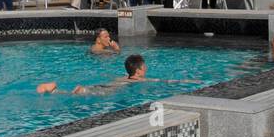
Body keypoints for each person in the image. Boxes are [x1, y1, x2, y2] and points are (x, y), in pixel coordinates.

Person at [37, 53, 194, 95]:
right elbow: (164, 81)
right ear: (138, 70)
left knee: (80, 91)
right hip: (105, 90)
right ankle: (57, 90)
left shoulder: (124, 76)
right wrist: (187, 82)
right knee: (80, 94)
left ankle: (53, 89)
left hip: (103, 85)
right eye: (144, 66)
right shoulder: (139, 81)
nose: (146, 68)